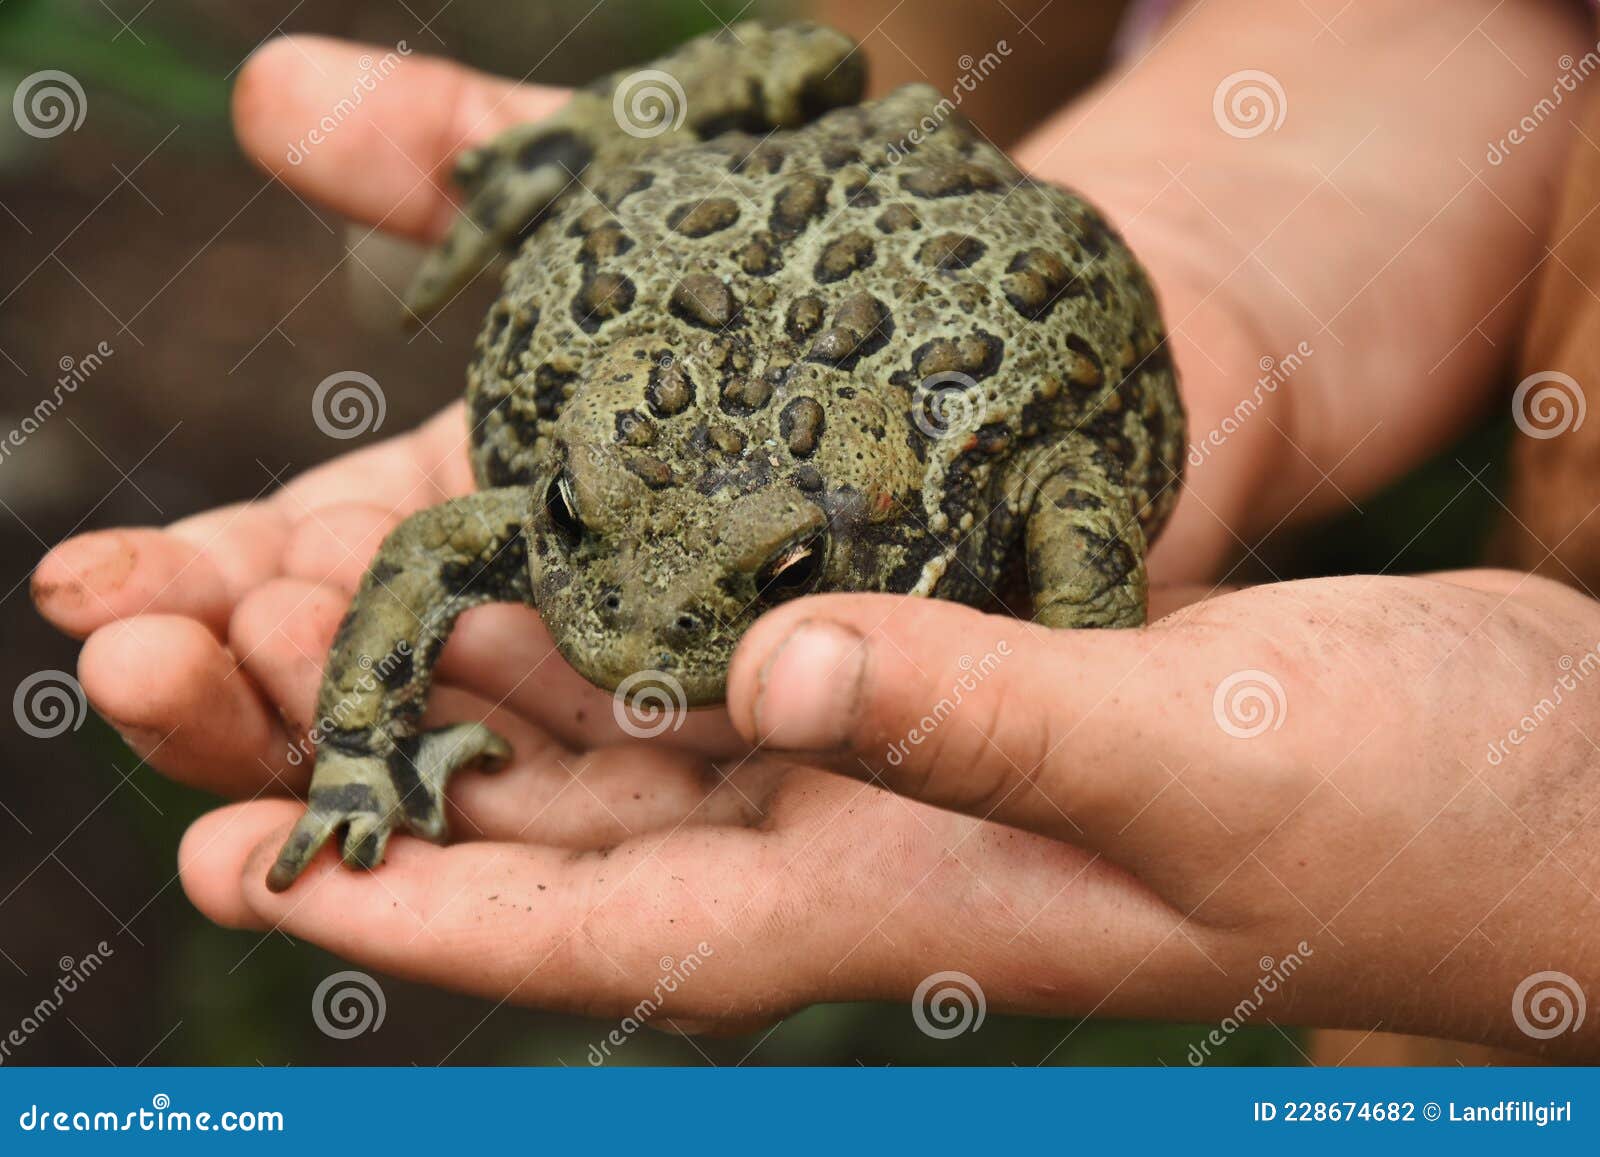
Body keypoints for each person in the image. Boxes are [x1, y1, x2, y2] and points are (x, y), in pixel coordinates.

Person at [30, 0, 1600, 1057]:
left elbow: (1064, 485)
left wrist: (1085, 672)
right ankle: (572, 157)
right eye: (574, 532)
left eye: (756, 583)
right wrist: (364, 744)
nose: (633, 638)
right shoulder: (585, 509)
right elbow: (440, 546)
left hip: (983, 326)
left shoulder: (938, 489)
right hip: (767, 236)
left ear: (838, 542)